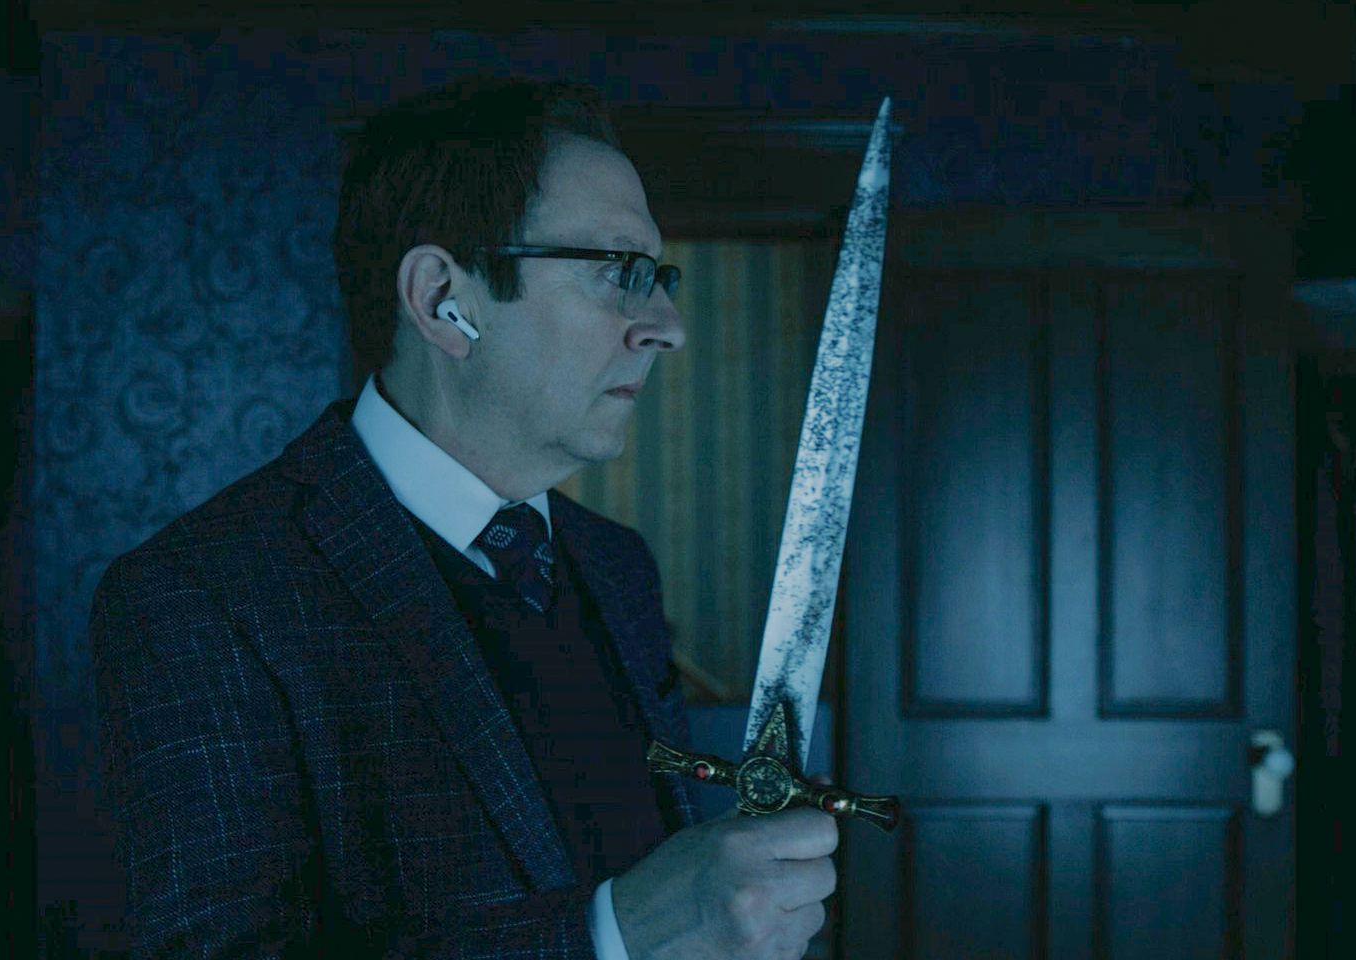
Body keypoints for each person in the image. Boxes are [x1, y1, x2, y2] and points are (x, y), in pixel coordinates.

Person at [92, 76, 837, 959]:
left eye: (658, 276)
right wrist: (615, 933)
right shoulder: (202, 597)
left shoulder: (617, 567)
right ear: (444, 298)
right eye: (618, 271)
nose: (667, 326)